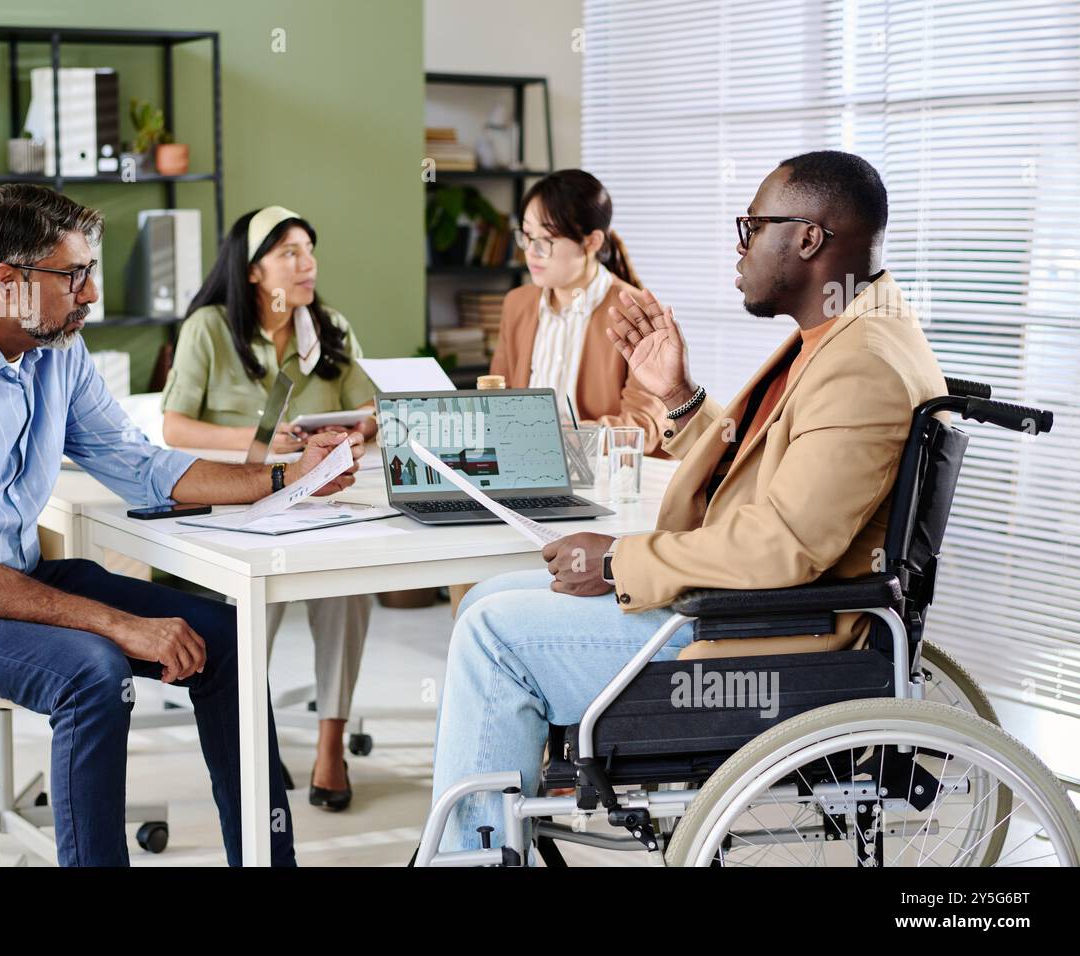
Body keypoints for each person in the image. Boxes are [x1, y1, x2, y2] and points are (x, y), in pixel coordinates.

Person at [0, 184, 363, 866]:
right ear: (9, 283)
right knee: (93, 674)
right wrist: (117, 623)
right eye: (74, 276)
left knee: (225, 641)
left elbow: (141, 465)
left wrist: (289, 476)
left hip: (4, 575)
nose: (92, 294)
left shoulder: (55, 350)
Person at [428, 150, 946, 852]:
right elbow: (762, 472)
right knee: (489, 596)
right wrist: (677, 396)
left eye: (751, 226)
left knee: (493, 637)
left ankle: (474, 856)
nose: (739, 247)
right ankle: (486, 841)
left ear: (807, 238)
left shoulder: (862, 364)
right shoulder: (845, 333)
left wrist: (618, 564)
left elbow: (784, 544)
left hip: (765, 637)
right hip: (745, 602)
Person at [160, 206, 376, 811]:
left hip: (322, 502)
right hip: (239, 504)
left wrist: (351, 433)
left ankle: (331, 748)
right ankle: (255, 737)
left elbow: (373, 412)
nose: (307, 264)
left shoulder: (329, 328)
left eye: (310, 250)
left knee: (347, 593)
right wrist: (259, 444)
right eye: (290, 253)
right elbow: (174, 425)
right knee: (249, 609)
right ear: (254, 271)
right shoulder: (209, 328)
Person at [490, 168, 668, 441]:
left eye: (547, 240)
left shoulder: (634, 312)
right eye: (526, 235)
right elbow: (496, 397)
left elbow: (643, 424)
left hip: (603, 470)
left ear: (591, 242)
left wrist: (565, 439)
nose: (531, 252)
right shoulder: (517, 304)